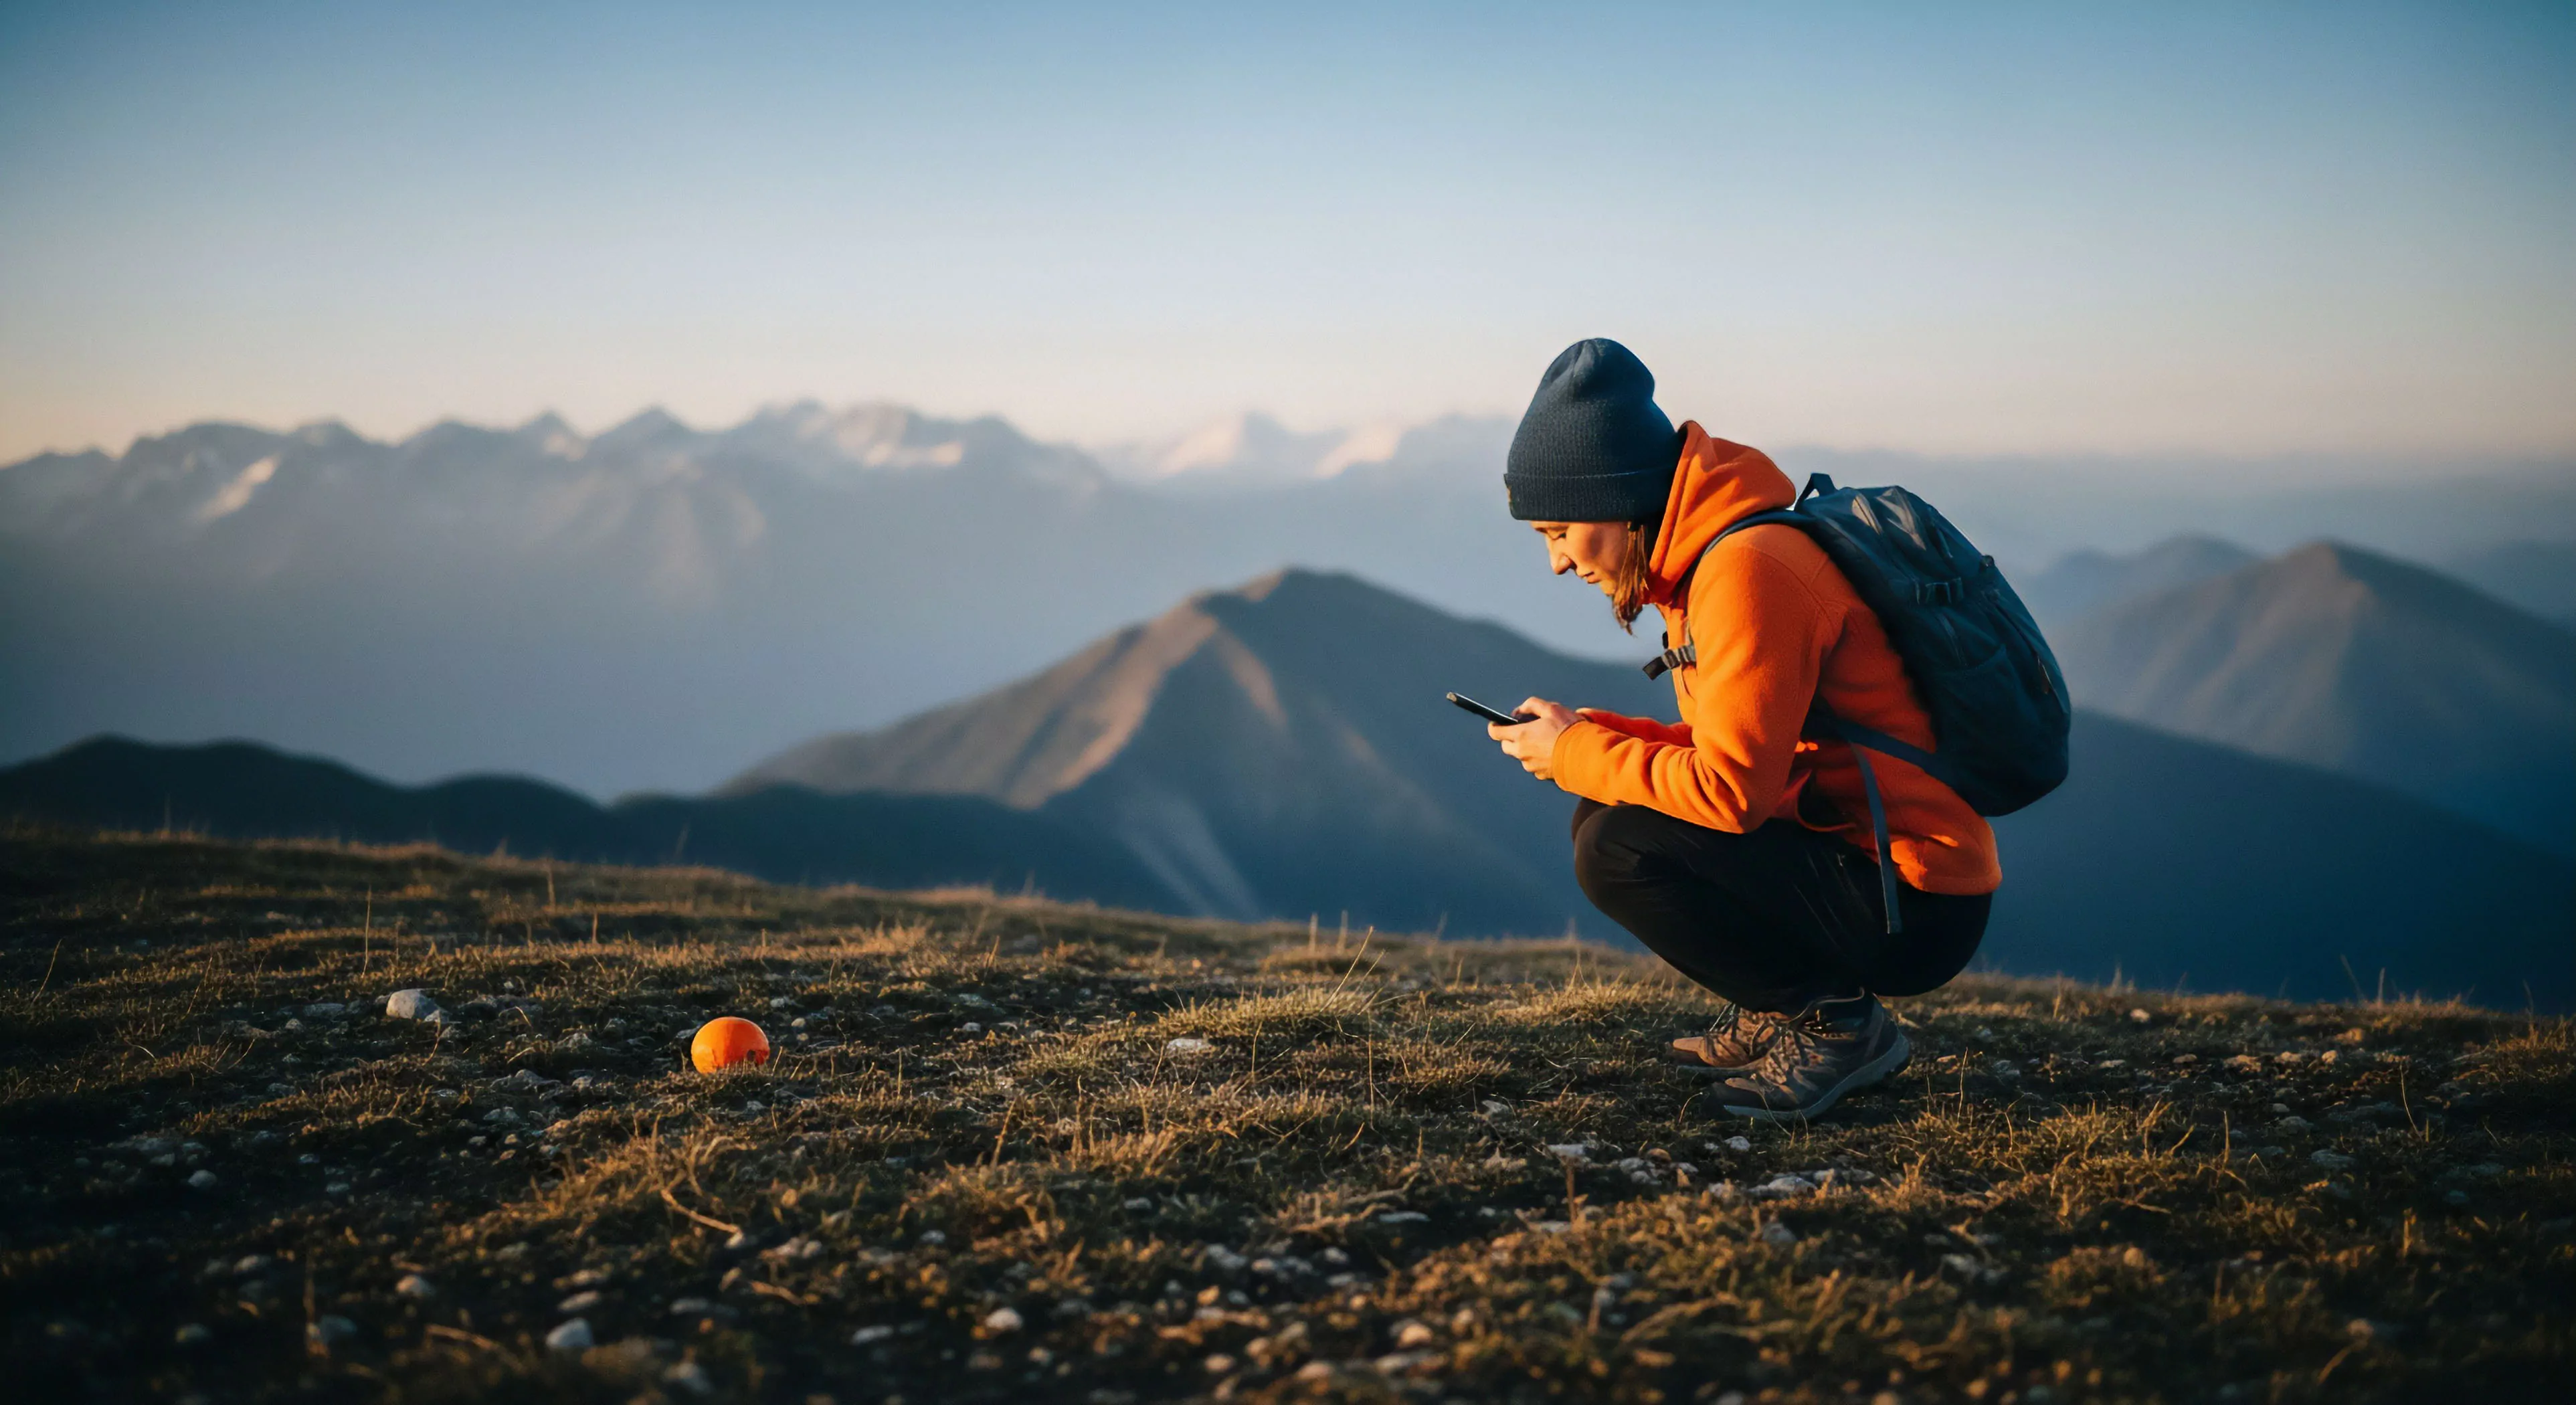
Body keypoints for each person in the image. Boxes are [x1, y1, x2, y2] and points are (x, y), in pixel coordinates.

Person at [1483, 338, 1998, 1121]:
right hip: (1863, 863)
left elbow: (1730, 796)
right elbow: (1746, 750)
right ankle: (1783, 1008)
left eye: (1558, 531)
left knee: (1614, 846)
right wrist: (1586, 738)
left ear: (1616, 499)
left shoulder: (1748, 571)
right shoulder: (1711, 563)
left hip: (1912, 901)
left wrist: (1580, 752)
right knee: (1602, 808)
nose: (1556, 562)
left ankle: (1834, 1023)